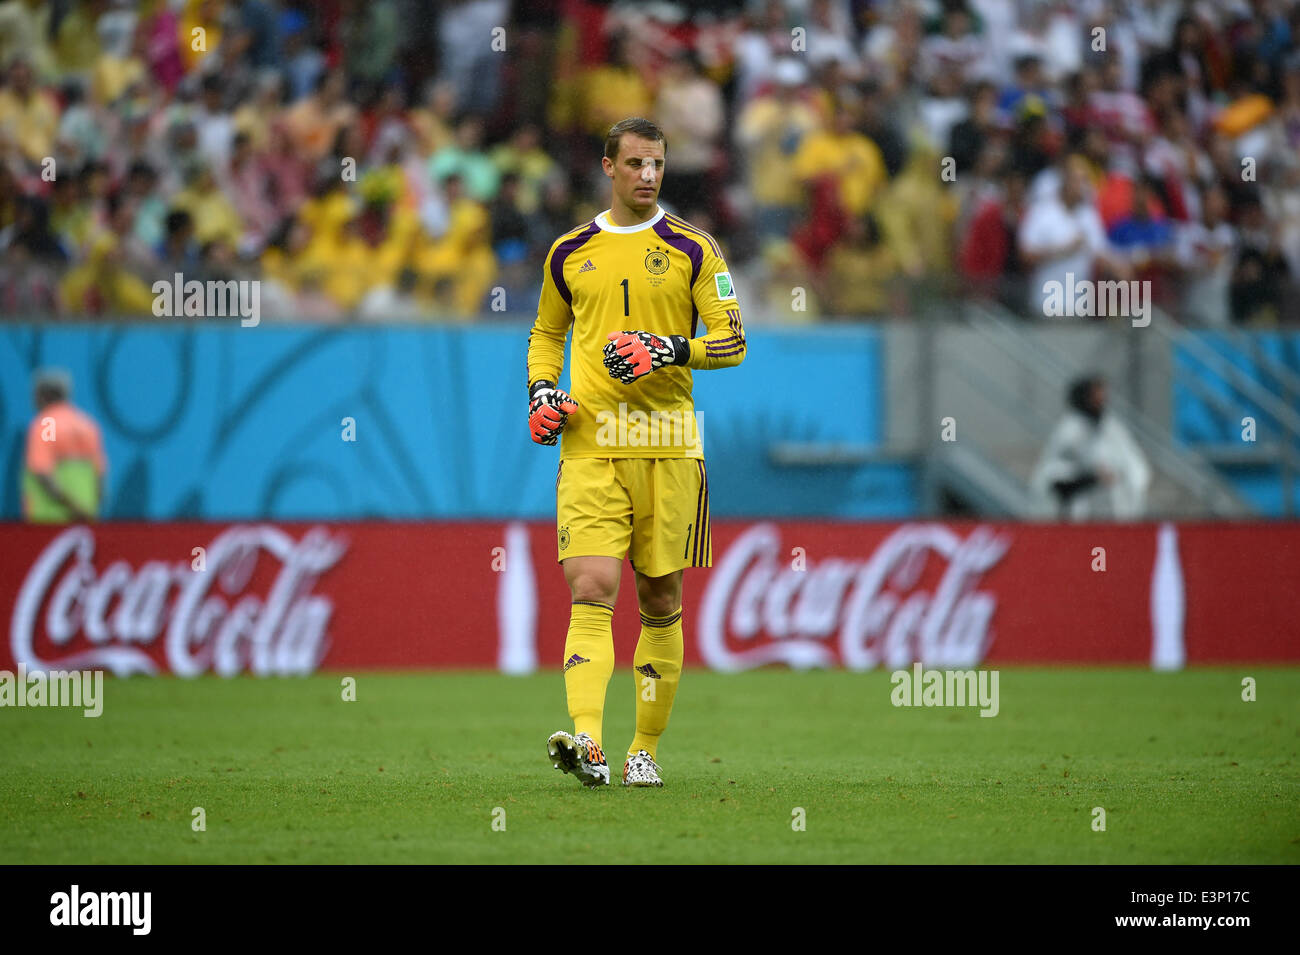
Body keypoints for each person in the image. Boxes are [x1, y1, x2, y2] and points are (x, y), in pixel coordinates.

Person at [525, 117, 746, 789]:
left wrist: (670, 348)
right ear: (608, 167)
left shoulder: (693, 248)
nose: (648, 175)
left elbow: (732, 340)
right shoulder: (569, 252)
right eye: (636, 163)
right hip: (591, 445)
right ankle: (588, 743)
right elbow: (545, 332)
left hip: (669, 447)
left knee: (659, 595)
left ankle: (643, 748)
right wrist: (541, 392)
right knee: (590, 586)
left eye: (658, 164)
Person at [1031, 375, 1150, 521]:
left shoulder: (1112, 428)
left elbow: (1134, 466)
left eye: (1102, 396)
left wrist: (1120, 478)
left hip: (1114, 515)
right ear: (1084, 397)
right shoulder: (1069, 431)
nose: (1101, 400)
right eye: (1096, 396)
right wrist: (1093, 478)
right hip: (1078, 517)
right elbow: (1056, 477)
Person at [23, 369, 108, 523]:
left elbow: (42, 474)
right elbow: (100, 476)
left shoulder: (47, 424)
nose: (33, 400)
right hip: (86, 518)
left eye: (35, 395)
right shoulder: (86, 424)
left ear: (44, 396)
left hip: (50, 520)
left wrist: (73, 507)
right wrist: (88, 510)